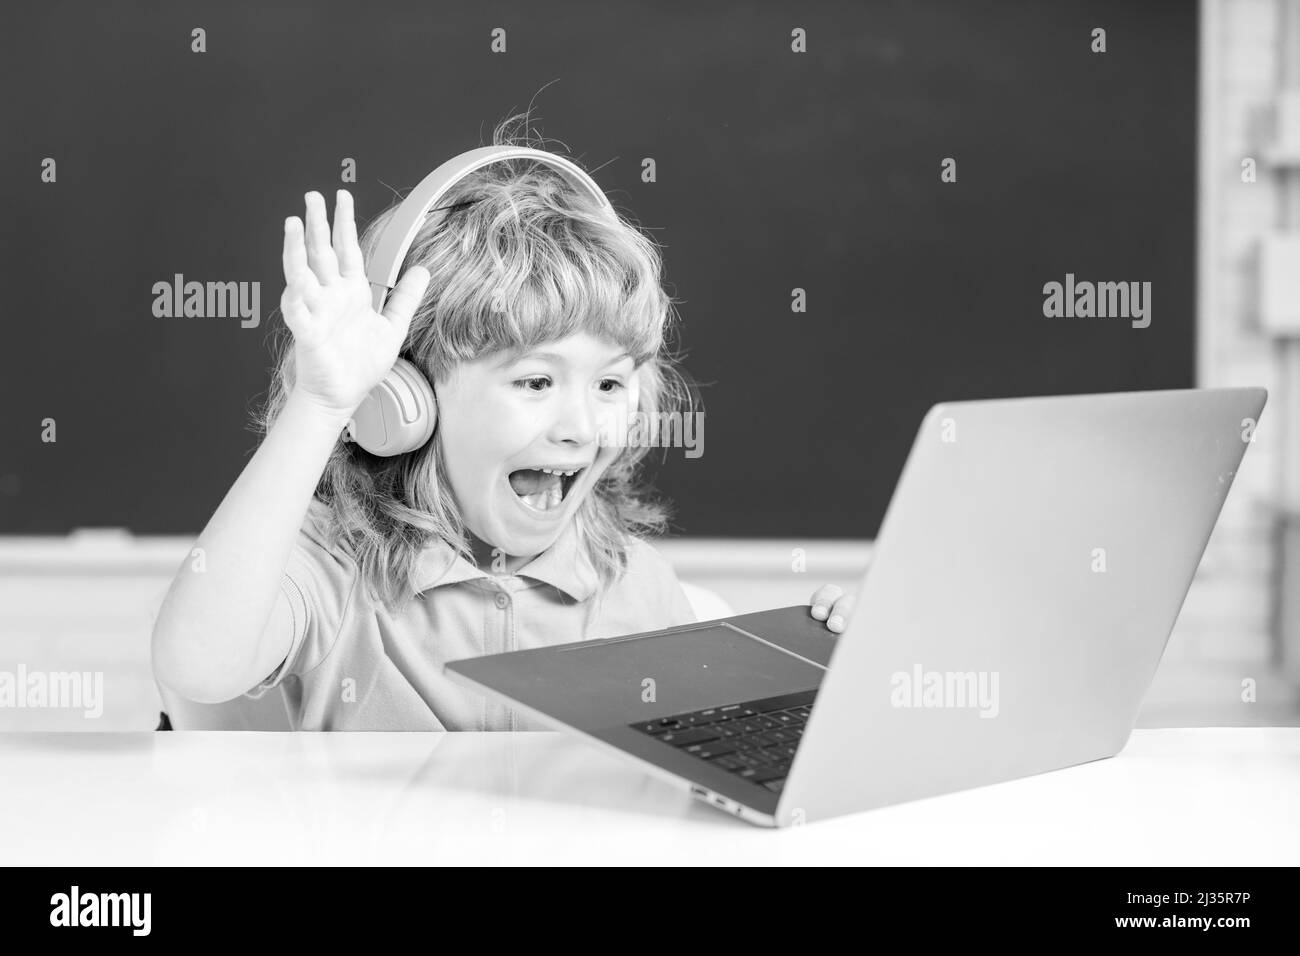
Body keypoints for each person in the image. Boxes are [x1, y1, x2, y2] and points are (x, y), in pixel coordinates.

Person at [151, 116, 855, 730]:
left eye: (610, 382)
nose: (582, 426)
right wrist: (324, 403)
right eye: (536, 381)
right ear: (403, 398)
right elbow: (198, 665)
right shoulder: (334, 574)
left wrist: (825, 679)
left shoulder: (636, 589)